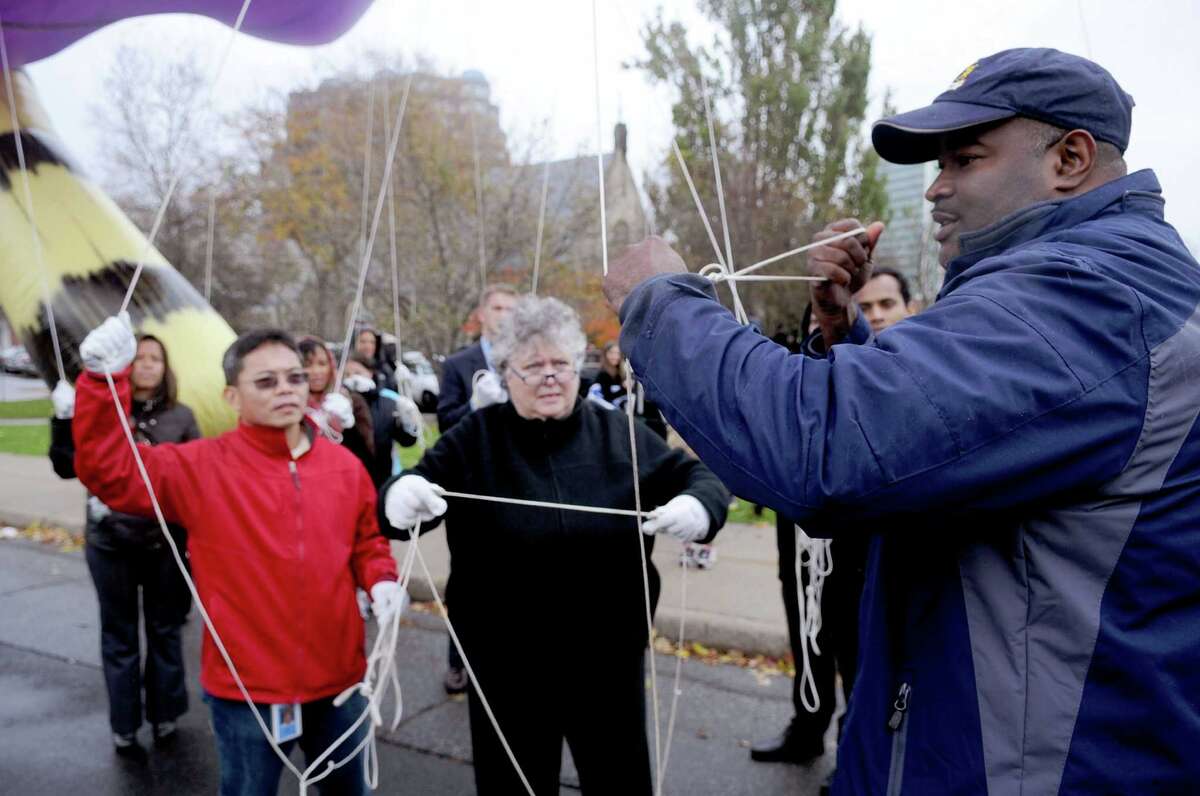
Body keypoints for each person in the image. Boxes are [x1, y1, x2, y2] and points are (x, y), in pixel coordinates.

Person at [603, 48, 1200, 795]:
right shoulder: (1096, 286)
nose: (937, 190)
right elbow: (958, 452)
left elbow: (824, 454)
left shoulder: (1090, 298)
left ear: (1070, 158)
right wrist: (848, 336)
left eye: (966, 159)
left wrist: (661, 305)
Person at [380, 295, 730, 795]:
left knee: (619, 781)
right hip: (507, 666)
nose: (550, 376)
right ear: (505, 373)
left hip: (607, 659)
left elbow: (698, 477)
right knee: (515, 784)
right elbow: (404, 504)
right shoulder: (474, 438)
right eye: (533, 366)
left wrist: (700, 507)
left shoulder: (617, 433)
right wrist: (397, 497)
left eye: (561, 363)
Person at [71, 319, 404, 796]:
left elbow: (366, 542)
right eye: (265, 382)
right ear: (232, 397)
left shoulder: (343, 466)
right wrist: (103, 382)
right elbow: (111, 471)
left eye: (293, 377)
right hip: (246, 692)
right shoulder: (200, 466)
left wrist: (381, 580)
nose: (285, 390)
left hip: (340, 685)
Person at [752, 269, 913, 771]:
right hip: (803, 546)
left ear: (910, 306)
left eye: (887, 303)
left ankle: (855, 752)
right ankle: (806, 730)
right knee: (808, 637)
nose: (877, 315)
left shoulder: (920, 373)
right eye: (866, 306)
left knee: (861, 657)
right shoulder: (806, 377)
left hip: (870, 550)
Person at [48, 335, 200, 759]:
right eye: (141, 357)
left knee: (165, 630)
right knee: (119, 635)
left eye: (157, 358)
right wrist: (63, 421)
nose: (148, 365)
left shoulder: (182, 417)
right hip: (110, 542)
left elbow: (194, 479)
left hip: (164, 543)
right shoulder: (102, 412)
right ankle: (124, 724)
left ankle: (166, 712)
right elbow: (65, 465)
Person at [433, 282, 517, 693]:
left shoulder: (524, 359)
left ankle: (505, 658)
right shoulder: (459, 364)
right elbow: (445, 420)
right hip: (469, 489)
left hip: (517, 486)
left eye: (511, 308)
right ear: (482, 314)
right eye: (498, 307)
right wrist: (474, 407)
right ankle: (458, 662)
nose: (504, 314)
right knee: (466, 580)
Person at [343, 351, 421, 488]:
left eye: (358, 373)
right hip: (348, 481)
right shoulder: (341, 404)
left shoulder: (388, 403)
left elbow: (407, 441)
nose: (353, 379)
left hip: (382, 481)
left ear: (370, 373)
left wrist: (408, 423)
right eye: (347, 375)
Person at [298, 336, 374, 473]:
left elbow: (367, 454)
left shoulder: (351, 401)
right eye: (307, 365)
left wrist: (348, 426)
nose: (316, 371)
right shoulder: (290, 405)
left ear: (330, 365)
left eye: (322, 364)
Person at [589, 342, 669, 439]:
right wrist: (624, 388)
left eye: (617, 353)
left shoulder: (619, 372)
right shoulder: (603, 375)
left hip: (629, 405)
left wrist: (629, 386)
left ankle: (661, 428)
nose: (615, 356)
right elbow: (608, 398)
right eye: (611, 353)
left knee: (651, 407)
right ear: (605, 354)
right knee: (647, 419)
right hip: (616, 411)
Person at [353, 326, 397, 392]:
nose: (368, 346)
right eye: (363, 341)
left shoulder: (383, 368)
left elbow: (391, 390)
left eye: (372, 342)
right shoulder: (348, 367)